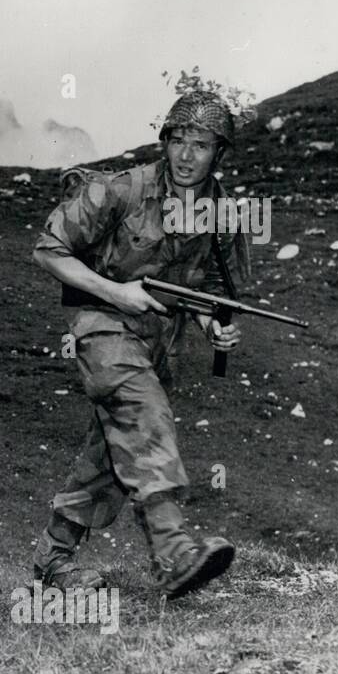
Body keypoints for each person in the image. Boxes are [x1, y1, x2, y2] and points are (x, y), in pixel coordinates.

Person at [31, 90, 250, 599]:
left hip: (158, 345)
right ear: (165, 142)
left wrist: (213, 326)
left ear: (220, 153)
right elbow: (48, 250)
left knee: (108, 457)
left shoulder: (222, 215)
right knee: (146, 416)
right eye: (178, 140)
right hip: (104, 328)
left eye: (201, 144)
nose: (186, 155)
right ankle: (174, 554)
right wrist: (116, 292)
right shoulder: (120, 191)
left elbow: (206, 295)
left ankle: (52, 563)